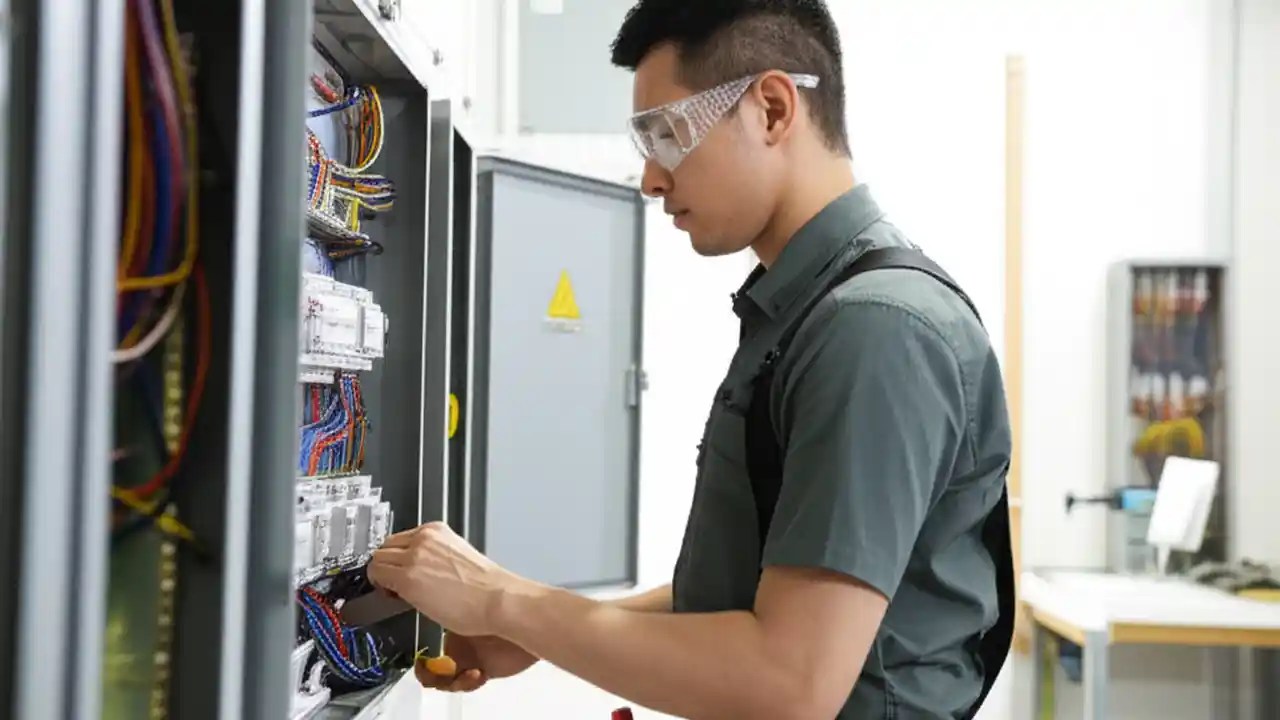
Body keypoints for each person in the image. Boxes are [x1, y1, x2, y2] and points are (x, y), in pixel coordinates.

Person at [367, 1, 1014, 717]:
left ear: (771, 109)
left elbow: (789, 684)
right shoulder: (807, 314)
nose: (650, 178)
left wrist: (508, 601)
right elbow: (754, 582)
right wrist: (531, 629)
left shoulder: (875, 330)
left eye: (668, 135)